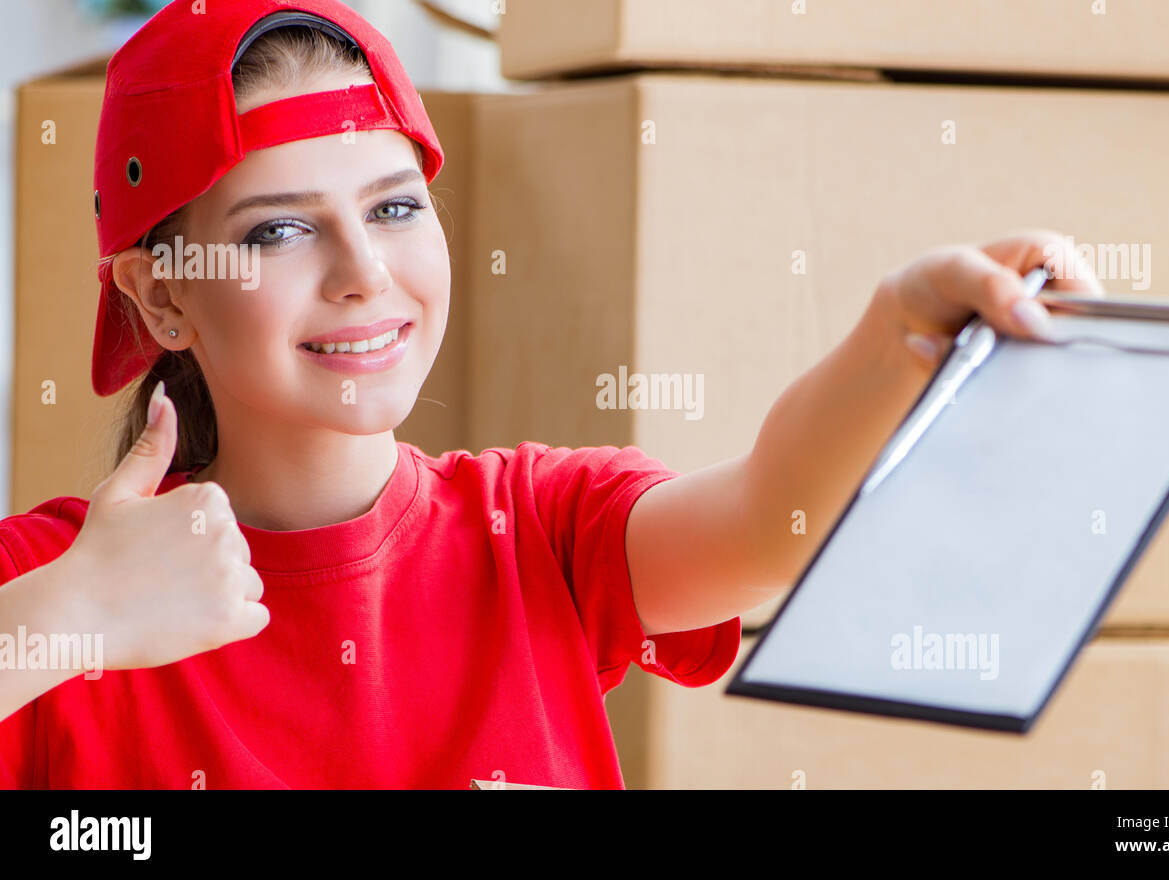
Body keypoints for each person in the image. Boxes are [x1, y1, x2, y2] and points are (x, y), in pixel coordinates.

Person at [0, 0, 1102, 789]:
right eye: (280, 229)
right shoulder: (43, 584)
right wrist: (68, 620)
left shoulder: (540, 529)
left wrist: (897, 332)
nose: (364, 273)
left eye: (392, 208)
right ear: (161, 301)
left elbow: (775, 519)